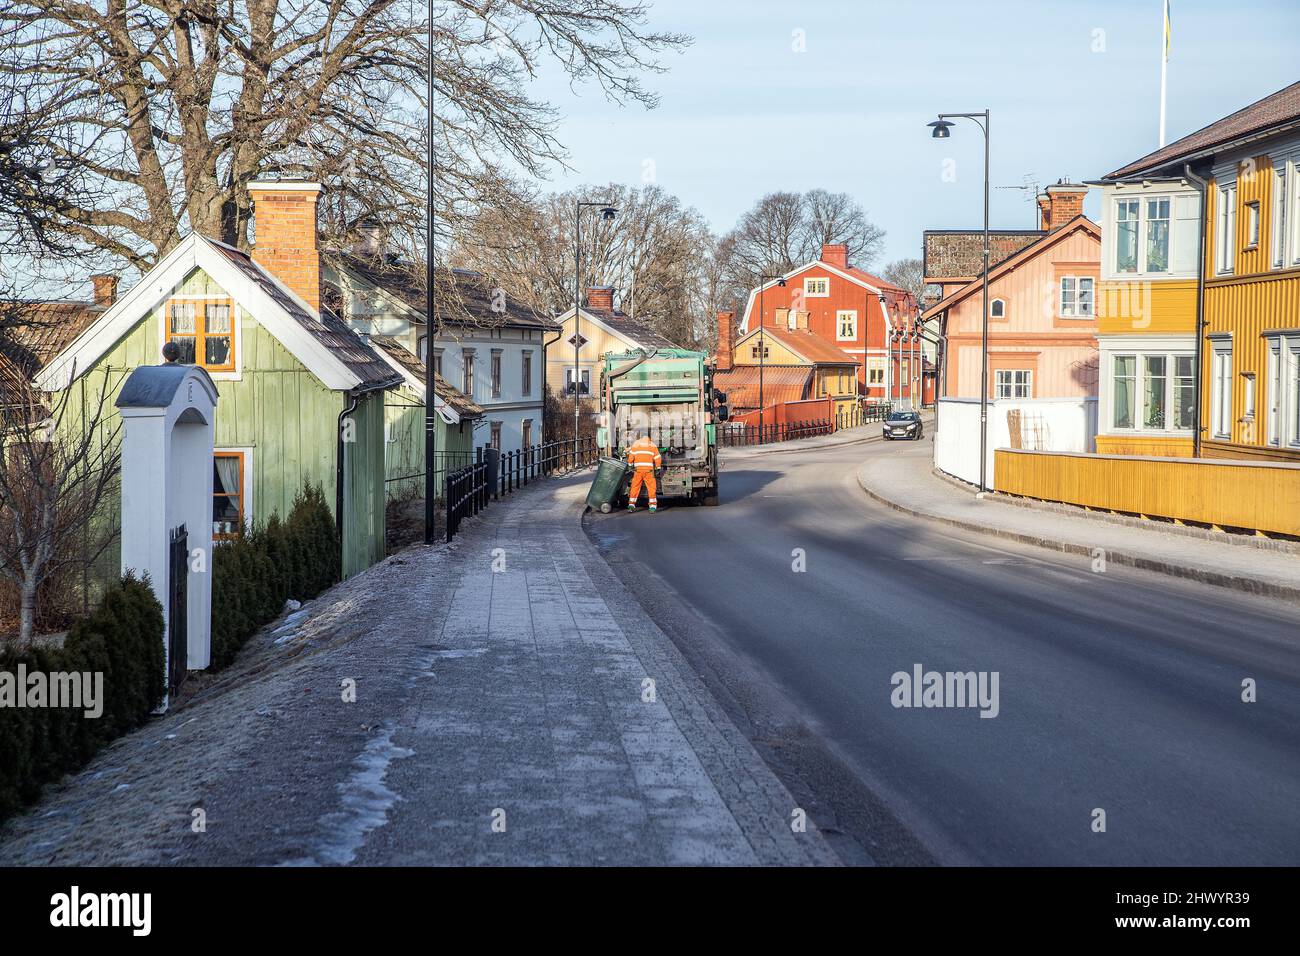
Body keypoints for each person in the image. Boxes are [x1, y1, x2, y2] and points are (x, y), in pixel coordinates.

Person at [625, 433, 662, 513]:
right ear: (649, 437)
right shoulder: (652, 445)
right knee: (651, 488)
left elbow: (631, 456)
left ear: (641, 437)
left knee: (635, 487)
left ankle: (631, 505)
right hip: (649, 471)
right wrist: (658, 468)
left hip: (638, 470)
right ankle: (652, 506)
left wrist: (630, 465)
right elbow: (657, 457)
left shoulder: (636, 444)